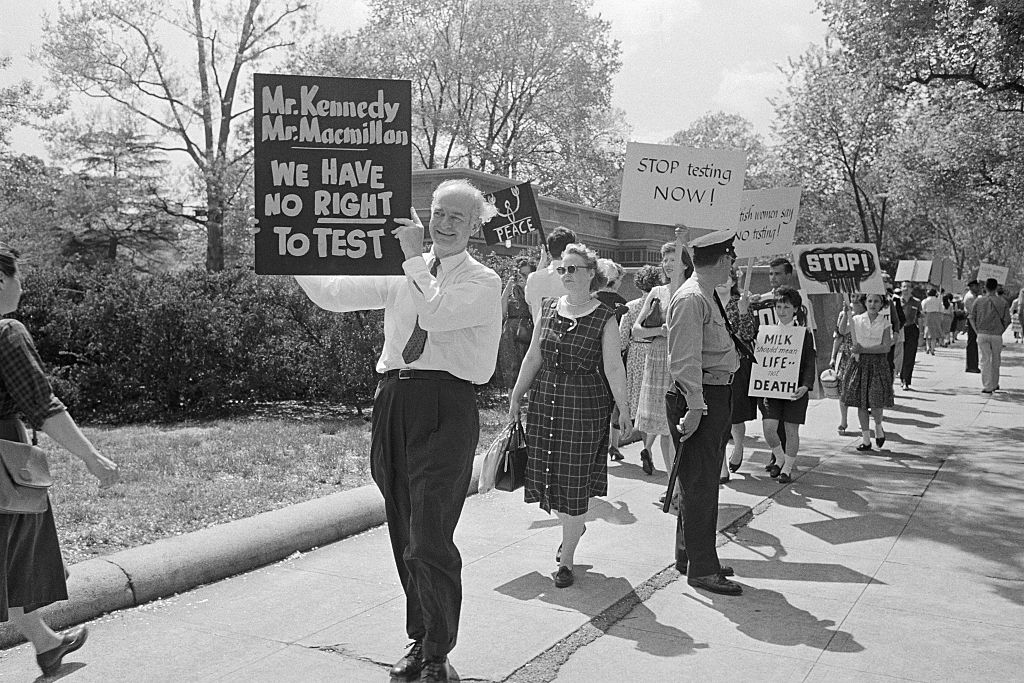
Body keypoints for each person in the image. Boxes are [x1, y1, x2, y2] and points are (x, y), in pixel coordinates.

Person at [295, 179, 502, 683]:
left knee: (429, 535)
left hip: (446, 405)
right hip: (395, 400)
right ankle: (419, 637)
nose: (444, 224)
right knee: (404, 527)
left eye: (457, 217)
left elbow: (437, 311)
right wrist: (286, 247)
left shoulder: (482, 280)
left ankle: (437, 653)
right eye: (439, 213)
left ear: (475, 226)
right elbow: (335, 295)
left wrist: (412, 259)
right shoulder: (407, 270)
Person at [0, 243, 120, 678]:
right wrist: (91, 457)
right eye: (19, 278)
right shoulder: (7, 332)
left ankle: (47, 644)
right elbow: (42, 406)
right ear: (1, 280)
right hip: (5, 468)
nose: (23, 286)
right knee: (12, 555)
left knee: (8, 563)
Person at [508, 243, 632, 589]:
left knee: (574, 480)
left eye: (573, 269)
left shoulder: (604, 317)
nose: (566, 275)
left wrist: (623, 409)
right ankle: (573, 526)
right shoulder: (548, 308)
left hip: (584, 406)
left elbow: (612, 367)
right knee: (550, 474)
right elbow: (533, 356)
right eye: (562, 269)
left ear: (592, 274)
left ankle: (567, 560)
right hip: (546, 403)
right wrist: (517, 395)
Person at [666, 229, 742, 596]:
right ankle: (703, 569)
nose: (733, 263)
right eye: (731, 256)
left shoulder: (705, 295)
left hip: (711, 394)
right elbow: (684, 361)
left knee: (698, 481)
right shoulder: (692, 298)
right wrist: (696, 405)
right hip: (699, 397)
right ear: (723, 258)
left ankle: (691, 556)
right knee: (700, 486)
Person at [632, 241, 693, 486]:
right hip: (657, 361)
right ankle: (673, 484)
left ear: (686, 263)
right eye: (664, 259)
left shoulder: (692, 291)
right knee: (665, 430)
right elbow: (637, 330)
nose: (667, 264)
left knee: (679, 430)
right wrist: (660, 330)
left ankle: (682, 485)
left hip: (682, 361)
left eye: (673, 259)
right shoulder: (657, 292)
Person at [759, 286, 816, 484]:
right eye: (778, 306)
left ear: (795, 309)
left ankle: (787, 469)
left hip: (795, 391)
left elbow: (810, 362)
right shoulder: (766, 332)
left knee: (791, 431)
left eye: (786, 306)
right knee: (768, 428)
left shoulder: (804, 333)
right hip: (772, 389)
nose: (781, 310)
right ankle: (780, 458)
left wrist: (806, 386)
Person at [614, 264, 663, 462]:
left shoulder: (632, 306)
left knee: (637, 401)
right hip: (656, 352)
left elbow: (622, 338)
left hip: (635, 353)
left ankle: (641, 446)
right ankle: (648, 446)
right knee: (653, 401)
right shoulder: (663, 305)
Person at [841, 292, 894, 452]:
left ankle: (878, 426)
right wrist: (845, 313)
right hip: (859, 363)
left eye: (876, 301)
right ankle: (866, 439)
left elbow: (885, 346)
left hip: (877, 364)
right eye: (870, 301)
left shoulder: (884, 322)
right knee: (861, 402)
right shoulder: (857, 319)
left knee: (876, 401)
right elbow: (843, 331)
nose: (872, 304)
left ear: (881, 304)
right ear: (865, 302)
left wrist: (864, 349)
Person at [723, 266, 756, 478]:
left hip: (736, 364)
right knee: (717, 416)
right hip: (712, 364)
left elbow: (747, 334)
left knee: (735, 415)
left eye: (726, 277)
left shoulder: (739, 303)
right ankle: (721, 469)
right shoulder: (706, 300)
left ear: (733, 281)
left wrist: (744, 312)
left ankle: (738, 446)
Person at [595, 258, 628, 459]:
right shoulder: (623, 304)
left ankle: (600, 444)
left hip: (593, 357)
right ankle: (613, 444)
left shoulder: (591, 300)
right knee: (614, 399)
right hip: (615, 357)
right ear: (615, 281)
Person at [497, 256, 536, 390]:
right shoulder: (512, 290)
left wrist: (527, 286)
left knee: (530, 370)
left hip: (527, 331)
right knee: (510, 369)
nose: (523, 277)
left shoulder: (533, 289)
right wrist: (508, 286)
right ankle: (513, 408)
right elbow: (502, 312)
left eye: (527, 274)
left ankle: (530, 408)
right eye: (521, 274)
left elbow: (532, 310)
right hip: (510, 332)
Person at [830, 297, 867, 434]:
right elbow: (840, 334)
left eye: (857, 302)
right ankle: (843, 421)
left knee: (860, 391)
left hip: (862, 358)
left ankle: (863, 421)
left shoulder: (867, 317)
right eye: (852, 301)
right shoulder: (844, 314)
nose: (853, 304)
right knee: (843, 390)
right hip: (846, 358)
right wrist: (833, 357)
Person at [525, 226, 577, 321]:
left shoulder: (533, 278)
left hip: (540, 334)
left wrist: (542, 260)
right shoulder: (575, 278)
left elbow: (529, 301)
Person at [969, 278, 1011, 394]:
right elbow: (1007, 320)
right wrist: (1001, 330)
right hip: (997, 334)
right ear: (996, 287)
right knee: (996, 360)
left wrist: (976, 331)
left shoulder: (978, 301)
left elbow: (971, 317)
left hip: (982, 333)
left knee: (985, 359)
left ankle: (987, 385)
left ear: (985, 288)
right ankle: (995, 383)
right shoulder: (1003, 302)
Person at [899, 284, 922, 389]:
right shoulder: (896, 301)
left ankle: (906, 380)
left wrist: (921, 334)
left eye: (908, 287)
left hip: (911, 329)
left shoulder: (917, 302)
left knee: (909, 356)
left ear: (912, 289)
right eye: (904, 286)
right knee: (900, 355)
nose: (906, 289)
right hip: (899, 330)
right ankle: (899, 376)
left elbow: (920, 318)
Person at [963, 280, 982, 373]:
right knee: (972, 343)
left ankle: (973, 364)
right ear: (972, 286)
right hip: (972, 321)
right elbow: (973, 312)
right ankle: (971, 365)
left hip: (974, 320)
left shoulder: (974, 296)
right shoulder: (970, 297)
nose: (978, 288)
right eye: (977, 286)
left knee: (974, 343)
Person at [921, 288, 944, 355]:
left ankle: (928, 347)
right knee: (934, 334)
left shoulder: (925, 300)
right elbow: (941, 309)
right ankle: (932, 349)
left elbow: (923, 309)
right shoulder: (938, 300)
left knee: (927, 333)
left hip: (928, 316)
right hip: (936, 316)